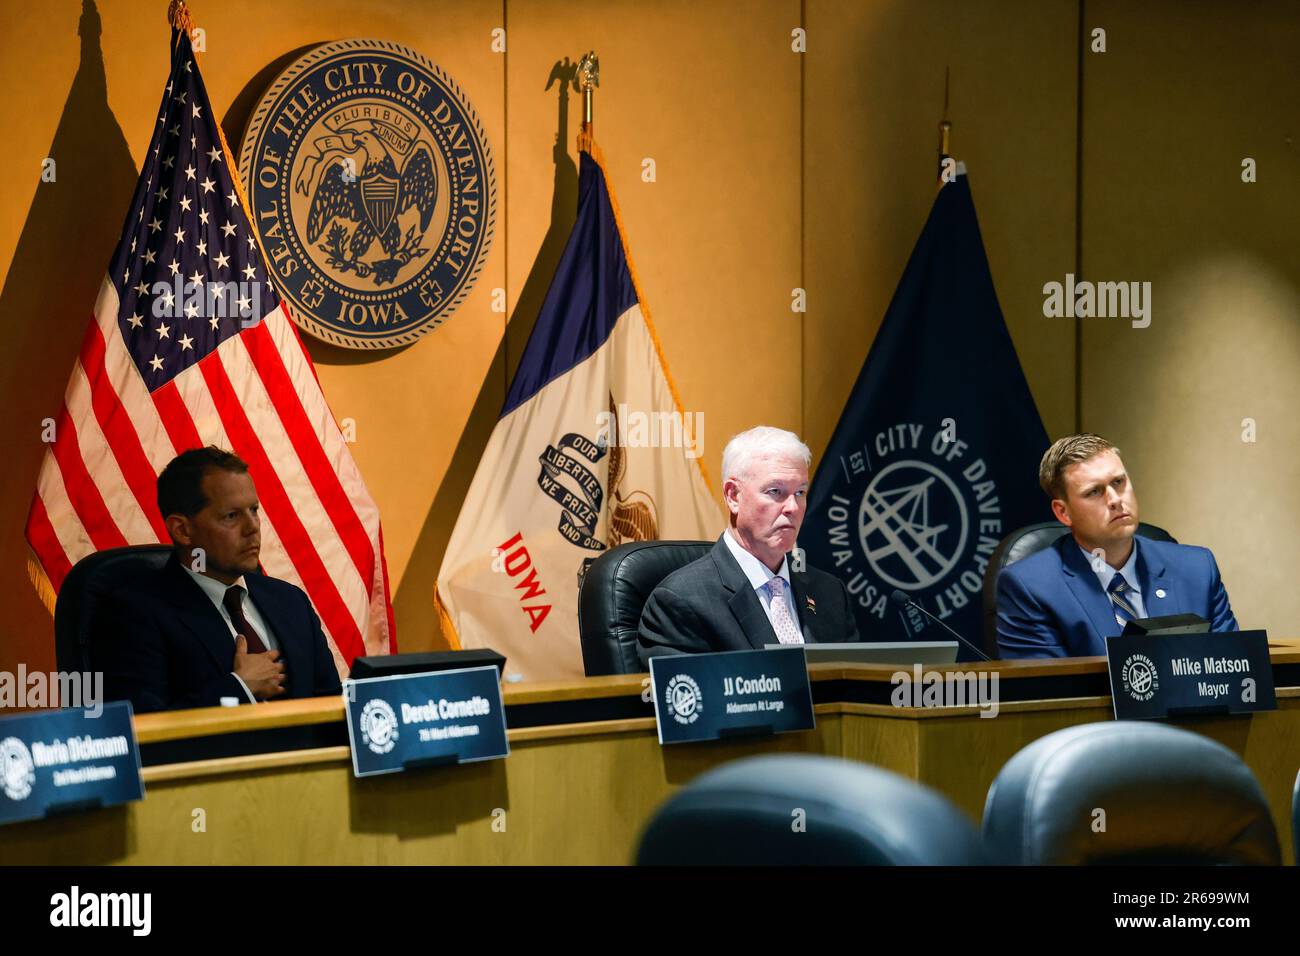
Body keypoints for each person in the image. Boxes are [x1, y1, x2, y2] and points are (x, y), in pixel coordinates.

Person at [91, 446, 343, 712]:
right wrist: (239, 687)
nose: (252, 527)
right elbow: (140, 725)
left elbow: (332, 707)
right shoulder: (136, 613)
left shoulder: (291, 602)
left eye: (254, 510)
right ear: (183, 530)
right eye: (231, 516)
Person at [996, 433, 1237, 658]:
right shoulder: (1031, 588)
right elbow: (1050, 698)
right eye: (1094, 492)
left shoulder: (1197, 569)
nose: (1115, 499)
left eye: (1119, 482)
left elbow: (1231, 672)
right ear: (1063, 512)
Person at [636, 426, 860, 667]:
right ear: (733, 495)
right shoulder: (680, 601)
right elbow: (696, 701)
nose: (793, 508)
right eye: (776, 491)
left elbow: (855, 692)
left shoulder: (830, 593)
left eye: (800, 492)